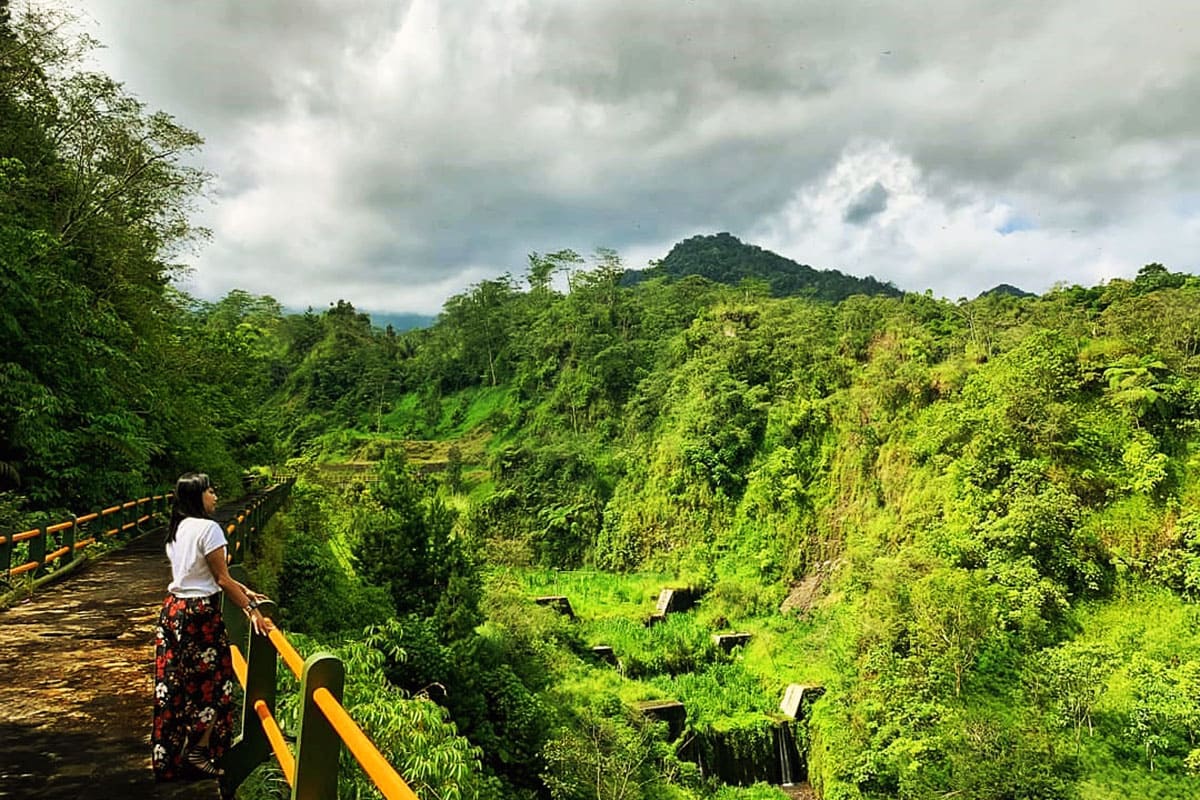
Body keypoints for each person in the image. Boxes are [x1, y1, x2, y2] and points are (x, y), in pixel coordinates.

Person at [152, 472, 274, 781]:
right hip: (200, 615)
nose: (216, 496)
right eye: (210, 491)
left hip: (173, 610)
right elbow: (219, 579)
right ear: (197, 497)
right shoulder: (210, 529)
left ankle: (169, 756)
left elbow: (198, 575)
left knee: (175, 683)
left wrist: (244, 590)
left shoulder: (177, 529)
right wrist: (252, 610)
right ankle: (198, 750)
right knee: (216, 684)